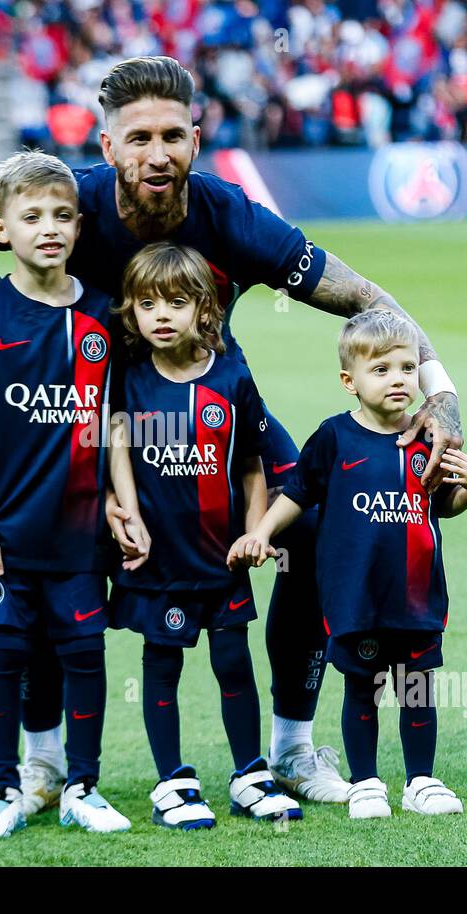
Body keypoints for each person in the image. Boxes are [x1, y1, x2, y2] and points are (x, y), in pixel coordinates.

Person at [0, 56, 465, 805]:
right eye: (139, 138)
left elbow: (366, 300)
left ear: (197, 137)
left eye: (173, 136)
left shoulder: (233, 217)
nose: (157, 154)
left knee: (313, 518)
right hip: (87, 425)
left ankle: (290, 746)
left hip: (212, 408)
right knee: (47, 548)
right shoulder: (66, 201)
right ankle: (45, 763)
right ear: (107, 145)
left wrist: (441, 397)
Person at [229, 310, 467, 819]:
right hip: (354, 597)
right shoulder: (334, 438)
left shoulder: (425, 438)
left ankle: (421, 781)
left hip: (416, 595)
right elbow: (297, 494)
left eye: (408, 369)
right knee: (362, 690)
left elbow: (441, 507)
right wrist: (260, 531)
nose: (398, 380)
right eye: (381, 369)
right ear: (350, 381)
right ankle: (366, 782)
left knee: (418, 691)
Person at [0, 149, 132, 839]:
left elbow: (111, 418)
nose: (48, 228)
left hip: (81, 534)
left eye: (61, 216)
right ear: (1, 230)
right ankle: (5, 787)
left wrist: (123, 502)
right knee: (6, 656)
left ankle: (83, 784)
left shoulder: (102, 317)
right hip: (5, 534)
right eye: (31, 217)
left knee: (85, 653)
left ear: (79, 228)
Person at [107, 242, 303, 829]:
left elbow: (250, 466)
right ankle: (172, 781)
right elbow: (116, 440)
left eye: (176, 302)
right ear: (132, 312)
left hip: (221, 560)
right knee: (161, 664)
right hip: (158, 559)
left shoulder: (232, 378)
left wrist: (253, 534)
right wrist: (127, 508)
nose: (160, 315)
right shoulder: (131, 376)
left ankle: (251, 772)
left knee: (233, 662)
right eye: (147, 304)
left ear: (205, 311)